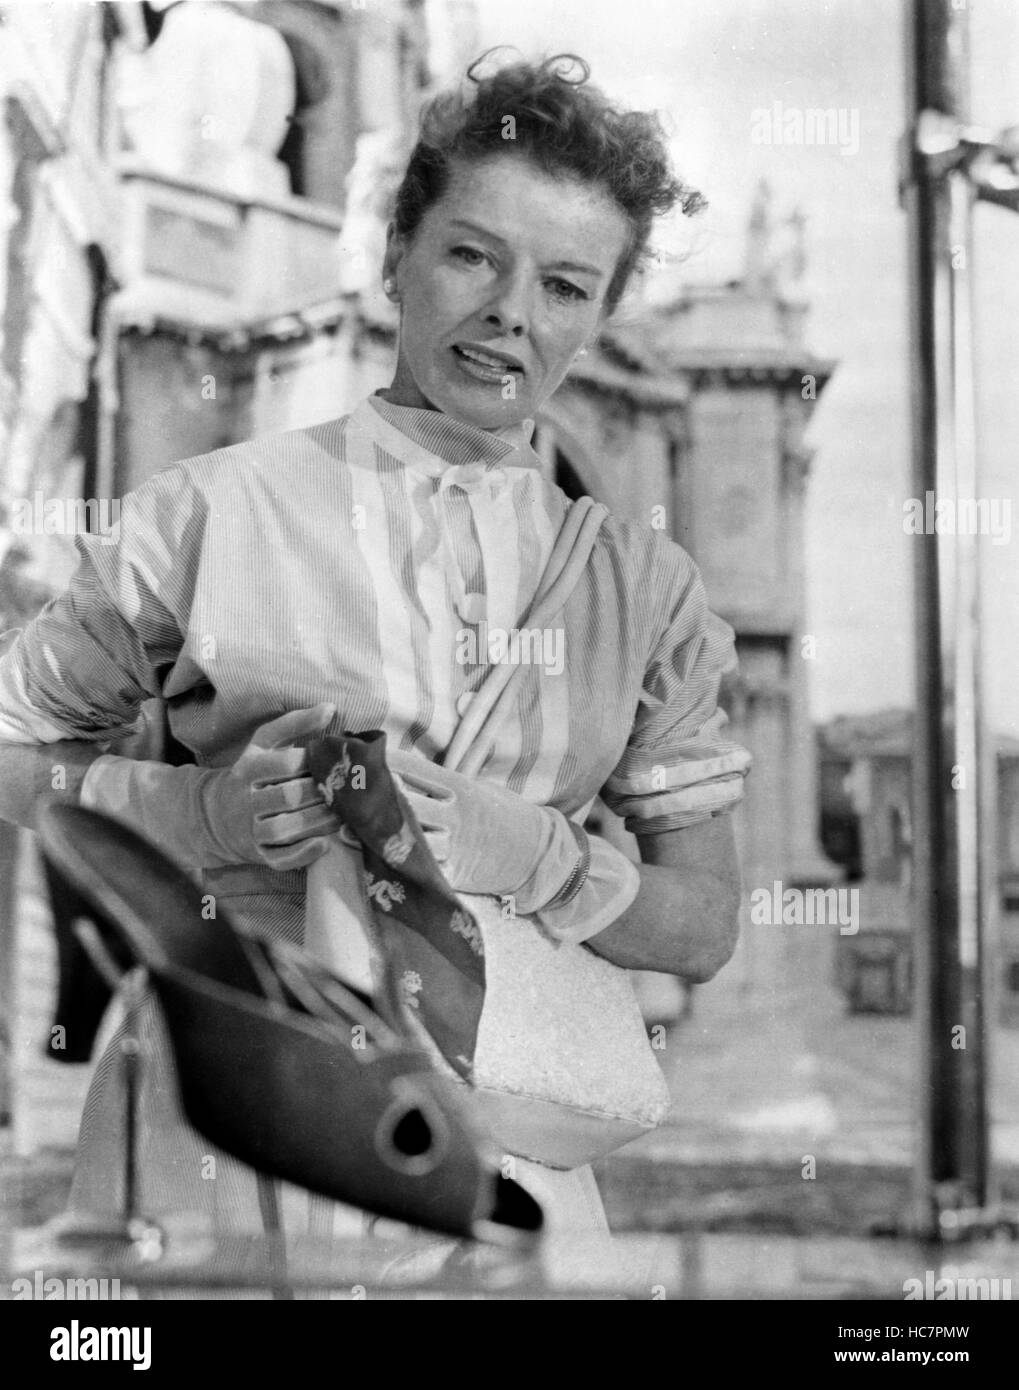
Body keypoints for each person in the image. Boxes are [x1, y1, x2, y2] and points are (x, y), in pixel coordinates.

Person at [0, 52, 751, 1272]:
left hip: (506, 1144)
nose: (511, 311)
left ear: (599, 316)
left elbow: (703, 923)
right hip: (225, 1103)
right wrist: (194, 811)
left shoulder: (644, 589)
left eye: (564, 284)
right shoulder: (204, 512)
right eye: (471, 254)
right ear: (396, 248)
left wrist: (534, 853)